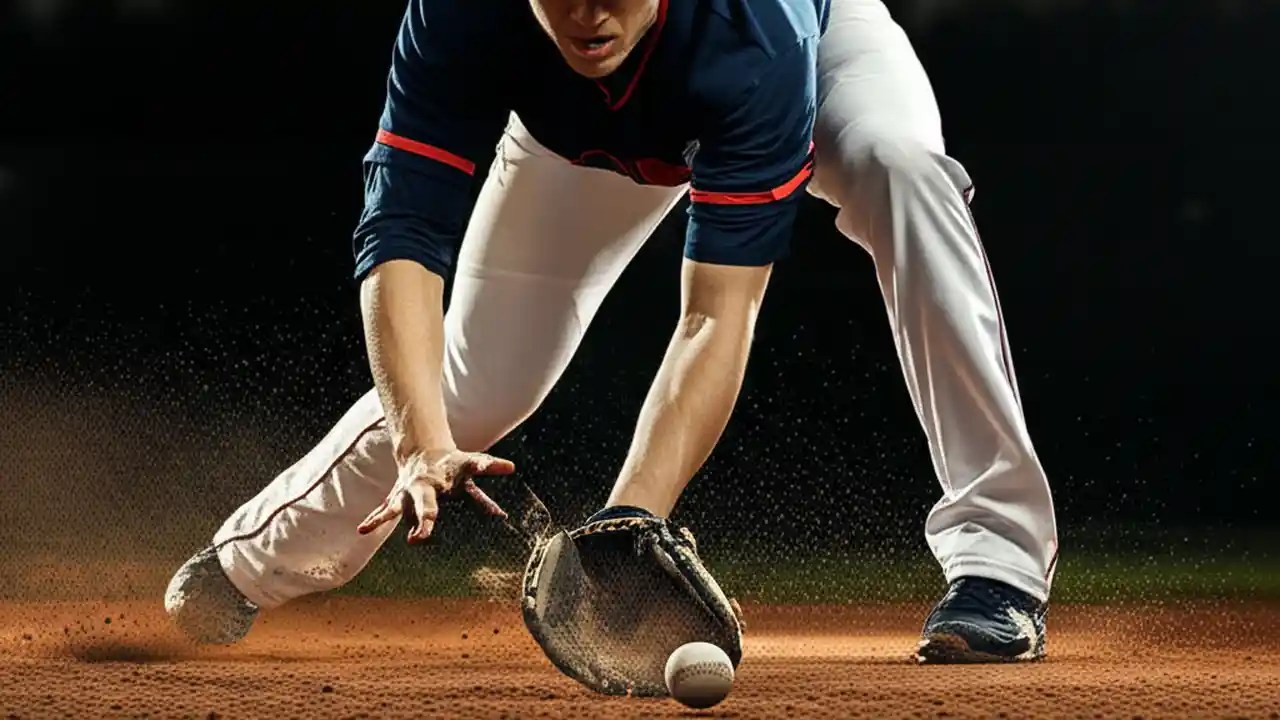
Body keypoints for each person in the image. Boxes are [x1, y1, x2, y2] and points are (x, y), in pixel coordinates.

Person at [165, 0, 1058, 664]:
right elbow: (401, 238)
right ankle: (247, 565)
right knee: (472, 387)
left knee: (897, 168)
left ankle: (1000, 564)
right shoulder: (460, 14)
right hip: (575, 136)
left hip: (803, 55)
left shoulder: (753, 37)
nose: (591, 13)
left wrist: (634, 518)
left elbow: (717, 312)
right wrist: (420, 441)